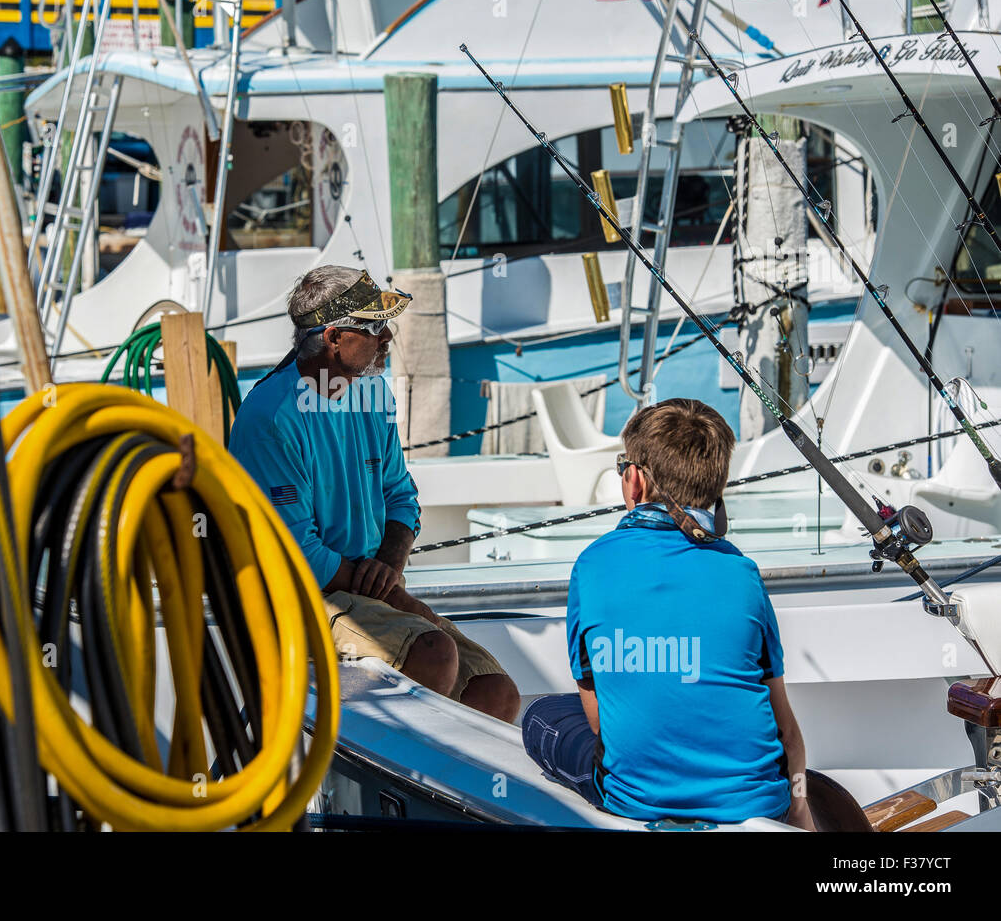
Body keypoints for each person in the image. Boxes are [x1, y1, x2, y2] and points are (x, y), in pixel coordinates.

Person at [228, 265, 521, 722]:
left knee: (495, 692)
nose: (387, 338)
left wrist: (386, 573)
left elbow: (401, 497)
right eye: (374, 327)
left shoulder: (372, 394)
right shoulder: (270, 418)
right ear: (333, 338)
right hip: (297, 598)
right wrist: (391, 592)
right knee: (433, 654)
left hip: (361, 586)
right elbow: (294, 553)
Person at [521, 398, 815, 829]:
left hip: (636, 803)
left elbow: (599, 720)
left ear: (634, 481)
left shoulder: (593, 565)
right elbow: (785, 727)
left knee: (541, 714)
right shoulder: (742, 573)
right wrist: (801, 808)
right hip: (758, 805)